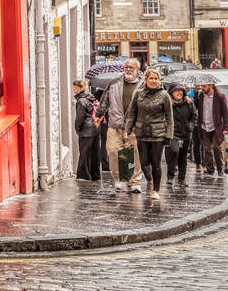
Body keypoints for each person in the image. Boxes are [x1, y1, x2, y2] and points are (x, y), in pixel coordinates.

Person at [125, 68, 174, 196]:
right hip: (141, 134)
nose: (154, 81)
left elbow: (169, 118)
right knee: (144, 162)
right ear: (146, 80)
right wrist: (127, 130)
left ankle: (156, 190)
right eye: (151, 78)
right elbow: (131, 114)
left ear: (159, 80)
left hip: (158, 134)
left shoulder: (164, 96)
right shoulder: (138, 94)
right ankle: (150, 181)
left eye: (156, 78)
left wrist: (168, 135)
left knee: (156, 163)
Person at [103, 58, 144, 193]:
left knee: (135, 155)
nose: (128, 70)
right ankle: (119, 178)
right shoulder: (115, 82)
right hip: (115, 124)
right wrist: (98, 115)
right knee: (114, 151)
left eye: (131, 67)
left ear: (137, 69)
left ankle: (134, 182)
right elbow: (105, 99)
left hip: (135, 126)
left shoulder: (144, 84)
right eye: (126, 67)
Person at [195, 82, 228, 176]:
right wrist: (195, 94)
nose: (202, 88)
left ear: (211, 86)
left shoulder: (220, 97)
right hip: (204, 126)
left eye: (204, 86)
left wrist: (226, 127)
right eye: (201, 86)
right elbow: (195, 106)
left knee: (216, 148)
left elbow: (225, 113)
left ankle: (219, 168)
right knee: (207, 149)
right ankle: (210, 170)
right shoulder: (200, 96)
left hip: (216, 127)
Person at [167, 85, 195, 188]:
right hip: (173, 133)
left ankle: (181, 179)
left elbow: (194, 115)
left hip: (185, 133)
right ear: (171, 93)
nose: (179, 93)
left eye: (181, 91)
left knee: (183, 157)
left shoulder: (189, 103)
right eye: (176, 91)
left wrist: (190, 126)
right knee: (174, 152)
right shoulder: (168, 103)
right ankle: (170, 176)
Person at [73, 79, 101, 180]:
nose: (73, 89)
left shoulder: (81, 101)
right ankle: (95, 175)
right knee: (94, 153)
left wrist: (77, 128)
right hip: (95, 127)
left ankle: (84, 175)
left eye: (74, 87)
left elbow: (80, 117)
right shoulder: (91, 98)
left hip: (86, 130)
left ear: (78, 88)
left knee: (84, 153)